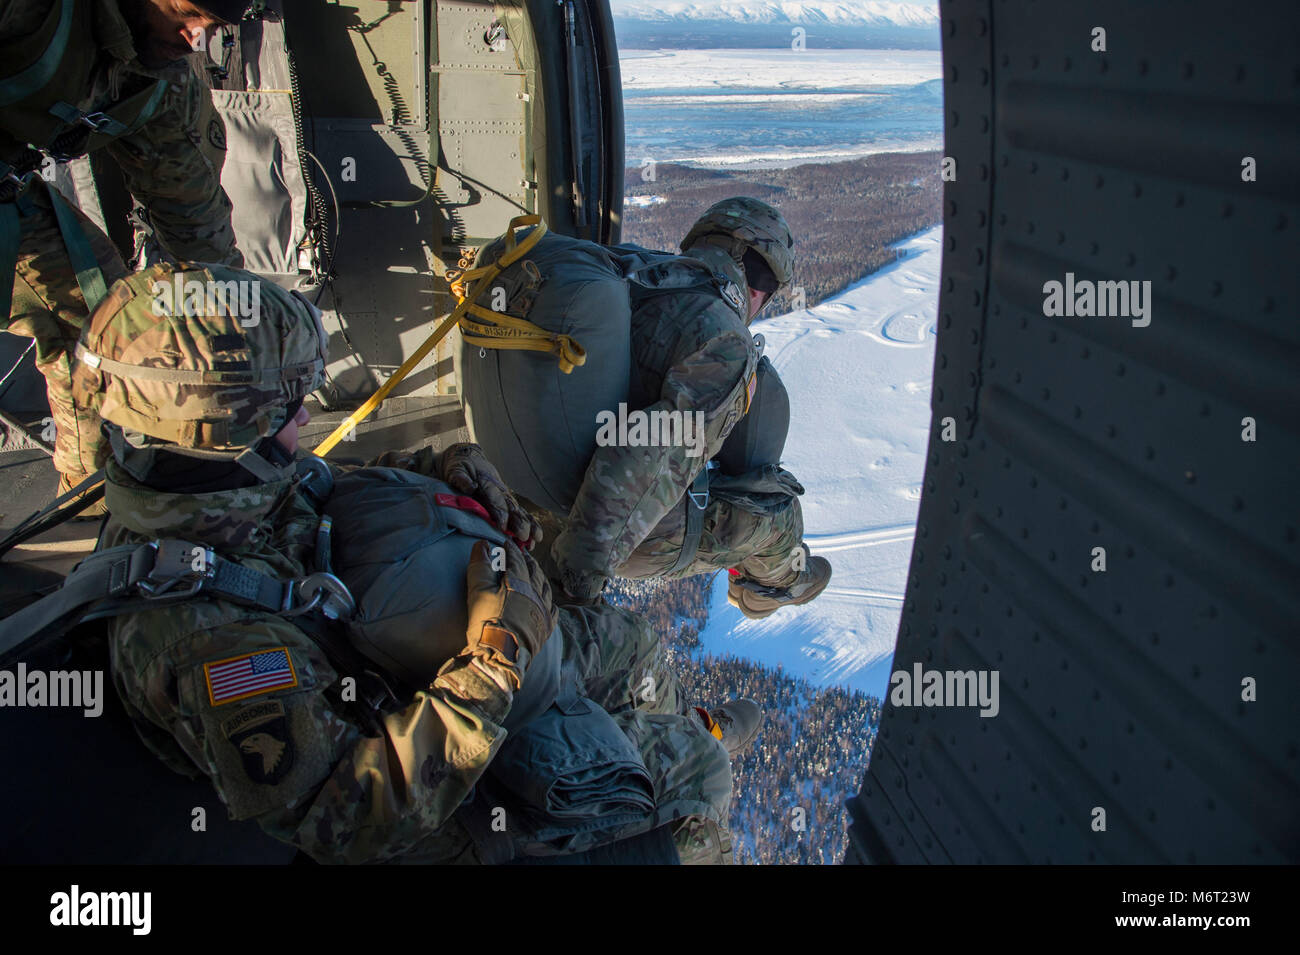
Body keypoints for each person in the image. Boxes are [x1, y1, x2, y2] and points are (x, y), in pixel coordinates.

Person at [67, 261, 758, 864]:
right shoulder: (212, 643)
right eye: (286, 402)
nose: (307, 412)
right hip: (431, 784)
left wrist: (440, 470)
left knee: (635, 646)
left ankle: (664, 722)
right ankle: (683, 746)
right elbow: (347, 815)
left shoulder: (209, 483)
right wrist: (495, 659)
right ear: (222, 436)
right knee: (702, 779)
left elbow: (316, 492)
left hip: (408, 641)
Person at [1, 0, 249, 510]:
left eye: (212, 25)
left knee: (101, 324)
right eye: (187, 10)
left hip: (8, 191)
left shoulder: (159, 81)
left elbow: (193, 213)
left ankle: (86, 497)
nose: (196, 37)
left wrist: (235, 320)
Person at [548, 196, 832, 618]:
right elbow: (652, 457)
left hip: (545, 482)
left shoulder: (636, 271)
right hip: (616, 527)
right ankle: (775, 585)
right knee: (778, 514)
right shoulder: (725, 339)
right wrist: (575, 583)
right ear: (760, 286)